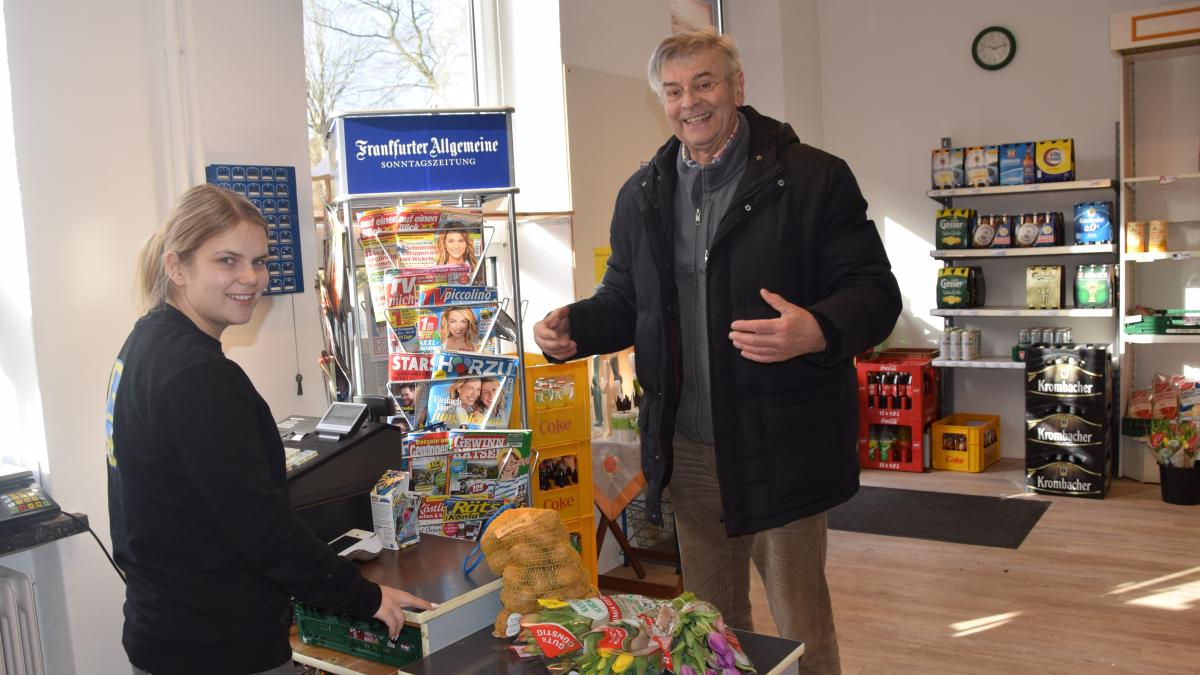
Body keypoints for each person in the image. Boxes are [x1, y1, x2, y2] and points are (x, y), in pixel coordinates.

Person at [532, 30, 901, 674]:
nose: (690, 102)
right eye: (674, 91)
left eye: (704, 83)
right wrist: (573, 331)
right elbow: (625, 299)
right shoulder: (641, 194)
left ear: (737, 87)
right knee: (710, 624)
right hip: (689, 450)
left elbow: (875, 292)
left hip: (780, 441)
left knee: (801, 625)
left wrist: (815, 328)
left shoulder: (813, 178)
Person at [106, 184, 435, 675]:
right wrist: (362, 596)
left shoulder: (146, 342)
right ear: (177, 267)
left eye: (259, 261)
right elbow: (259, 525)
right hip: (215, 645)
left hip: (167, 626)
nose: (250, 278)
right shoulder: (197, 375)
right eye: (227, 261)